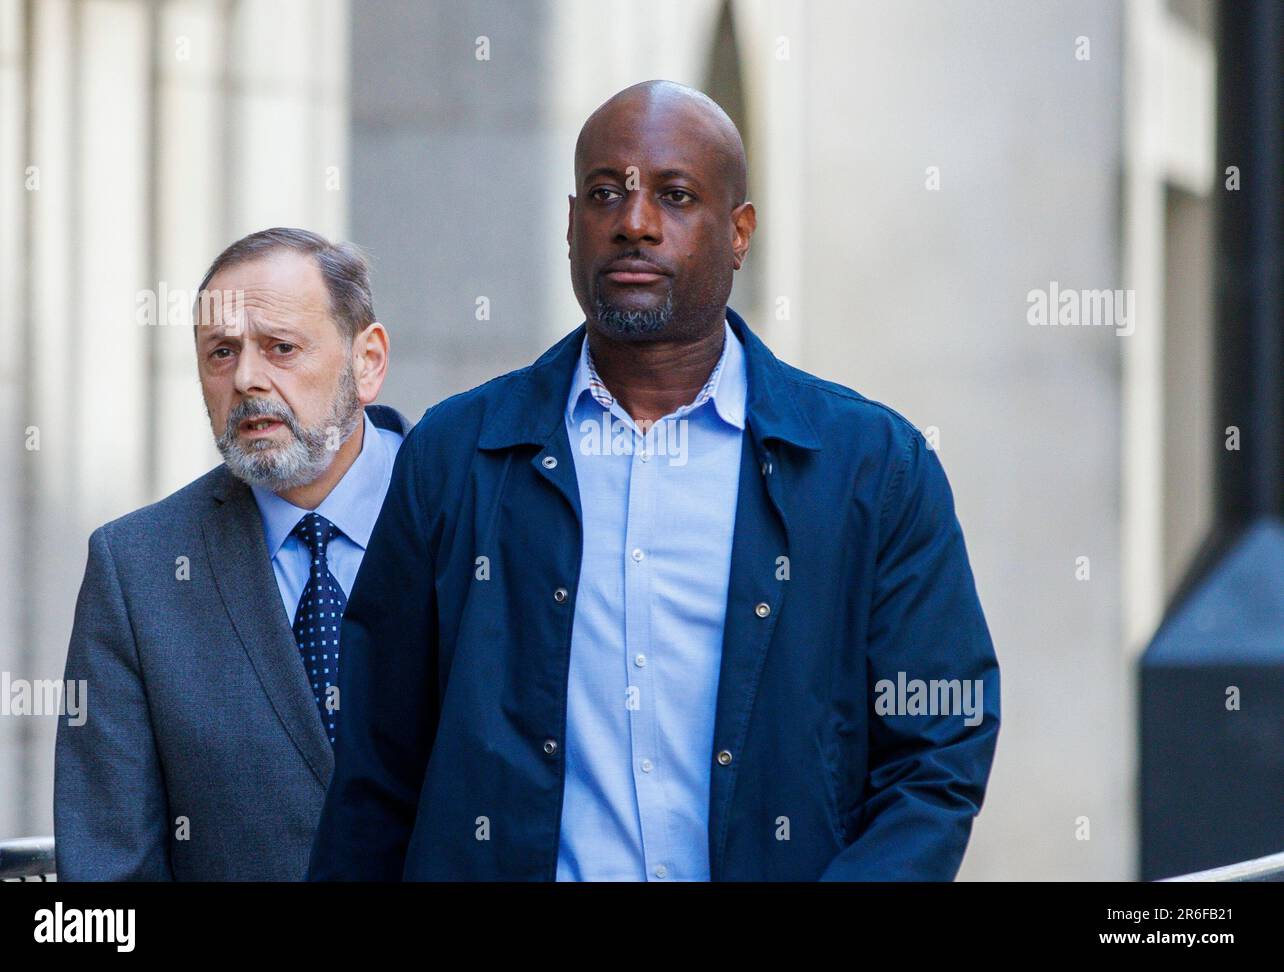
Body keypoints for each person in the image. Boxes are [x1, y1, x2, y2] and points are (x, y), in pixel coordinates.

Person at [309, 81, 1000, 881]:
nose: (634, 222)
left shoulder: (872, 467)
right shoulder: (454, 457)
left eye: (675, 196)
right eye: (606, 194)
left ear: (739, 232)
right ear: (571, 228)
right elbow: (376, 775)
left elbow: (939, 747)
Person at [55, 228, 409, 880]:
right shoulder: (138, 569)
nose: (247, 378)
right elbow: (110, 871)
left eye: (281, 348)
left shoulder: (472, 521)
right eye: (221, 353)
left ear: (368, 361)